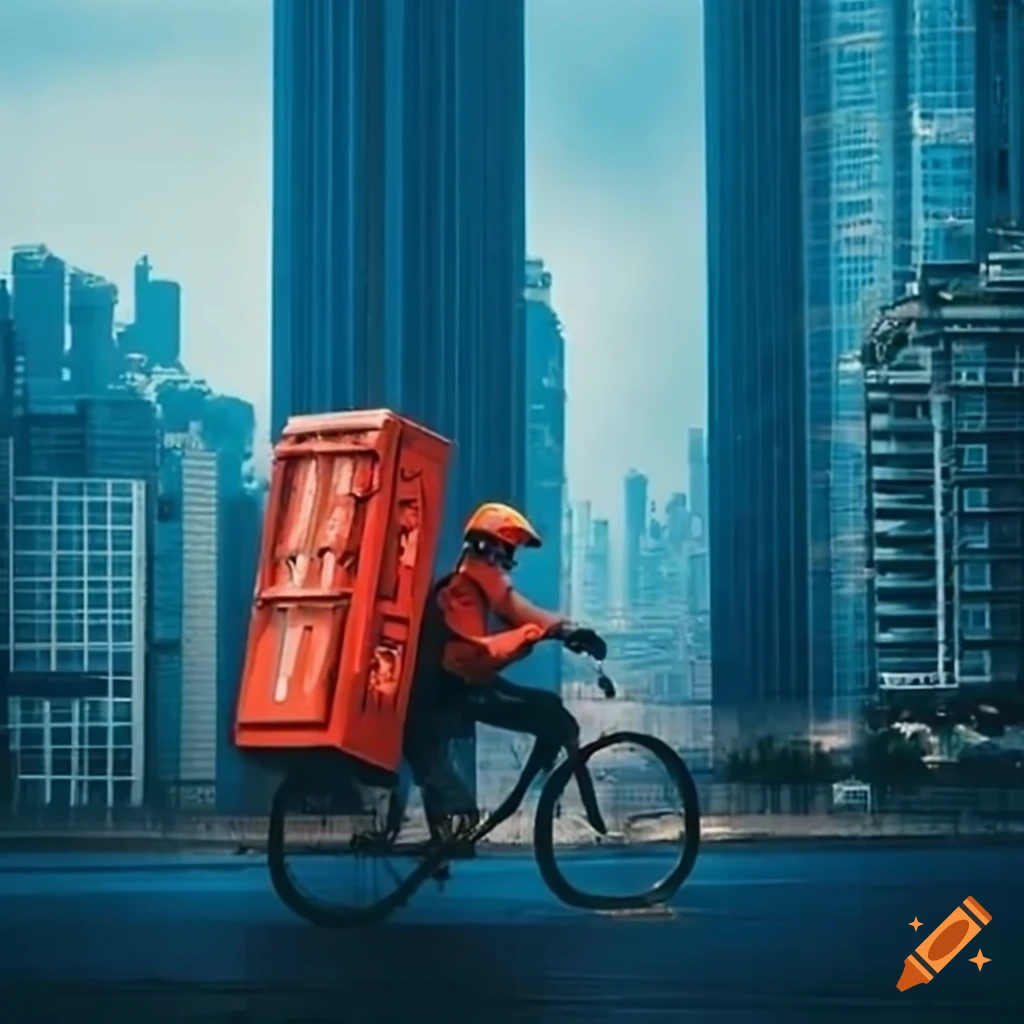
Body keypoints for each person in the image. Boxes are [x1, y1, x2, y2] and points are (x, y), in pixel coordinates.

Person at [402, 502, 608, 849]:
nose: (504, 568)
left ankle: (514, 809)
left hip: (462, 686)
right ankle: (469, 824)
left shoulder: (482, 587)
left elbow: (521, 611)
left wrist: (568, 631)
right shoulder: (460, 591)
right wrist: (527, 637)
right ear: (486, 551)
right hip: (448, 691)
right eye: (503, 557)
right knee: (552, 716)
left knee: (551, 710)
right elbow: (474, 656)